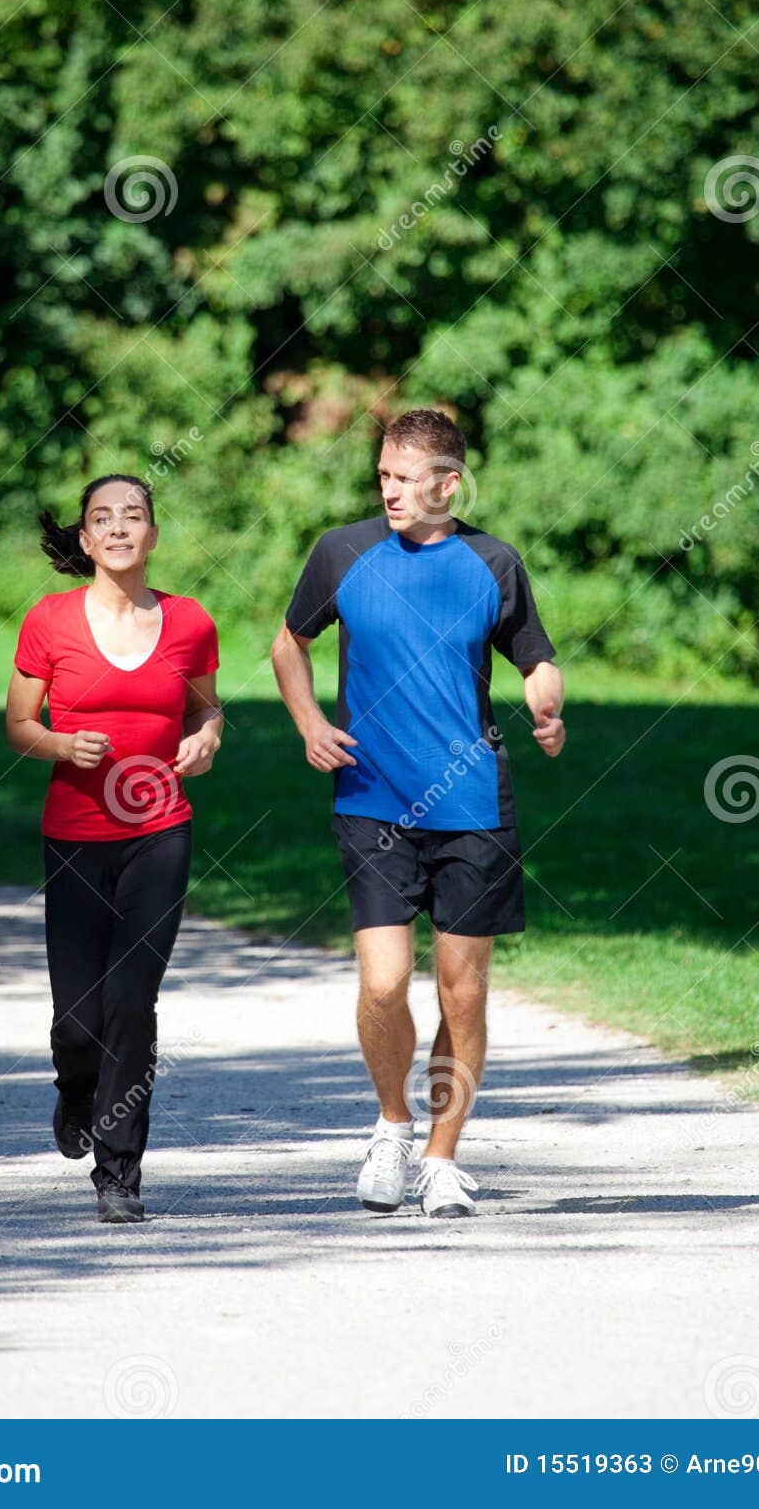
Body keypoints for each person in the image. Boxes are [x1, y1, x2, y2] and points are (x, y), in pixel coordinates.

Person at [271, 410, 565, 1219]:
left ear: (449, 482)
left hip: (471, 805)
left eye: (406, 480)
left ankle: (441, 1158)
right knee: (384, 982)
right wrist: (307, 723)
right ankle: (391, 1125)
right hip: (372, 799)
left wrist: (546, 706)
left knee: (462, 995)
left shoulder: (492, 562)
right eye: (383, 479)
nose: (390, 493)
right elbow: (287, 642)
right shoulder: (343, 551)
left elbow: (535, 656)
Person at [6, 472, 222, 1224]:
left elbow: (205, 704)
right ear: (87, 538)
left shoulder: (190, 622)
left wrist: (206, 736)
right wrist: (61, 743)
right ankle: (75, 1085)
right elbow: (18, 726)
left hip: (160, 831)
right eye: (105, 518)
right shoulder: (50, 622)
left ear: (152, 535)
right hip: (74, 837)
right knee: (78, 1019)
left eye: (135, 516)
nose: (121, 528)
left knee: (132, 997)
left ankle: (119, 1171)